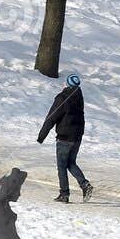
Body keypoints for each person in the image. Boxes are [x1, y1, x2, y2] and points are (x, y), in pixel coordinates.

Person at [37, 71, 93, 203]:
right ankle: (85, 185)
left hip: (65, 137)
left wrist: (41, 136)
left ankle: (64, 194)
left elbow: (52, 117)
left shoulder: (62, 98)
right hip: (77, 136)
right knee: (71, 163)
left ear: (66, 84)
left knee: (62, 166)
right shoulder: (79, 96)